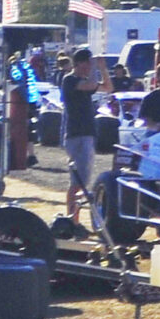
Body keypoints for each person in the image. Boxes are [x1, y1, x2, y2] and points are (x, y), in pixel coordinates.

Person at [61, 47, 103, 220]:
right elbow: (92, 85)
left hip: (87, 133)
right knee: (77, 181)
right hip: (76, 134)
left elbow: (108, 87)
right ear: (79, 63)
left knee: (83, 181)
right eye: (88, 63)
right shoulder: (69, 80)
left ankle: (74, 218)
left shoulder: (85, 81)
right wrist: (95, 67)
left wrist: (103, 69)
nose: (89, 67)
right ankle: (72, 218)